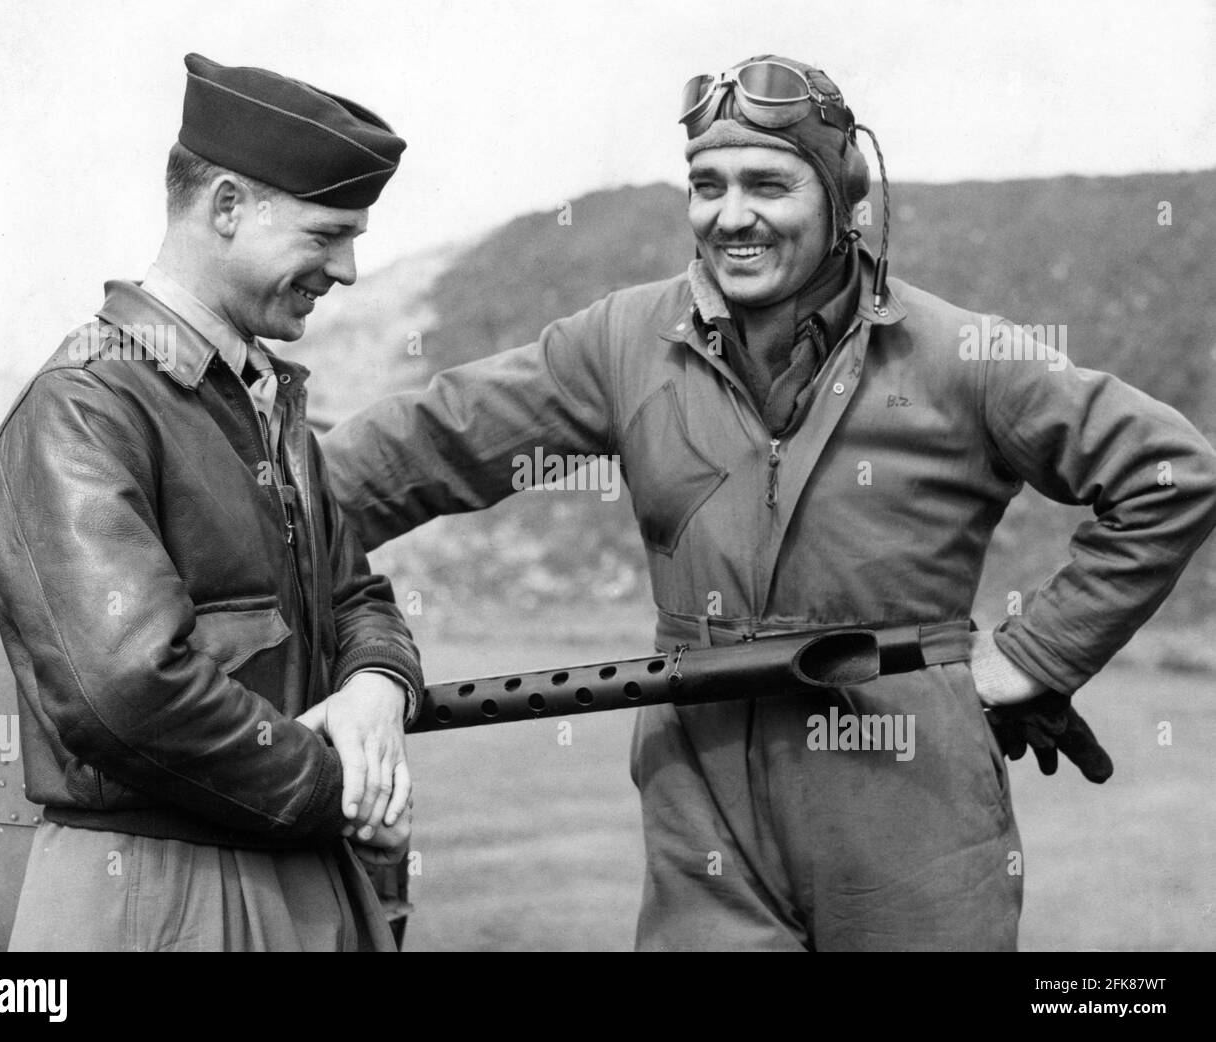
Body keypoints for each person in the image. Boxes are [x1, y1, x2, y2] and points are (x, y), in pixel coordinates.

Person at [319, 54, 1216, 951]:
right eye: (706, 185)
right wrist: (239, 513)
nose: (730, 215)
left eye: (767, 183)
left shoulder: (958, 355)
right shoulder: (624, 340)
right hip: (699, 792)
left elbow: (1170, 473)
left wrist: (1035, 656)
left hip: (910, 783)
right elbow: (428, 446)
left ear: (843, 196)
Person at [0, 53, 422, 952]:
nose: (349, 270)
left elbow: (357, 598)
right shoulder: (86, 403)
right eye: (328, 235)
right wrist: (340, 788)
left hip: (294, 872)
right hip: (152, 896)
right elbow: (125, 694)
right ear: (225, 206)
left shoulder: (262, 402)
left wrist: (375, 687)